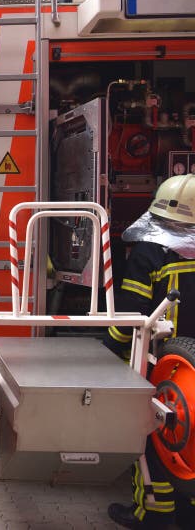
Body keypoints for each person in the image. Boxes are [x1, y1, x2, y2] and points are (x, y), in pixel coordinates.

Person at [104, 174, 195, 529]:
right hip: (190, 367)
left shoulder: (149, 252)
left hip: (165, 366)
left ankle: (153, 512)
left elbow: (132, 313)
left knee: (155, 435)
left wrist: (109, 350)